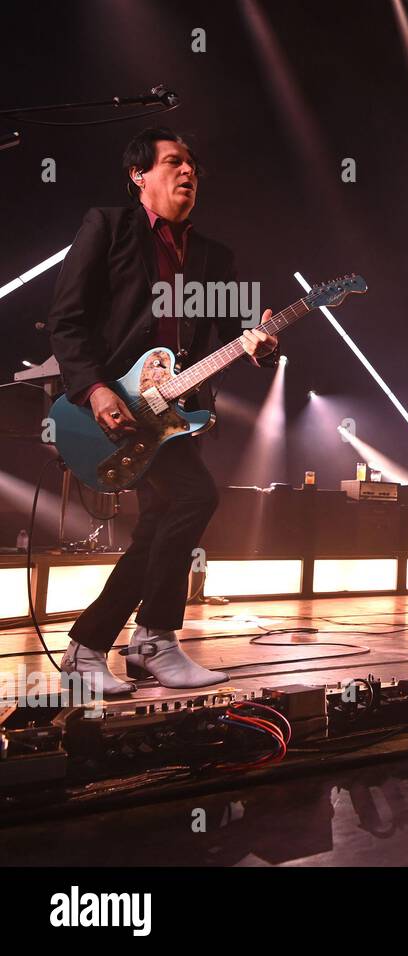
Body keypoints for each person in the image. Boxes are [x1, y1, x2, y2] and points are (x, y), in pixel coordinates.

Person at [47, 128, 278, 695]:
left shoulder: (212, 257)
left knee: (160, 523)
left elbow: (230, 336)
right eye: (173, 162)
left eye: (193, 165)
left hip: (175, 416)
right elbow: (68, 320)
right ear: (138, 175)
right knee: (195, 498)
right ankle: (151, 637)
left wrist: (263, 344)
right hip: (115, 402)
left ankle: (92, 649)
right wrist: (97, 390)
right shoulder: (108, 227)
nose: (188, 172)